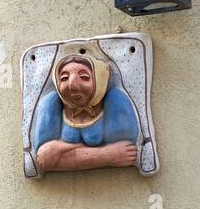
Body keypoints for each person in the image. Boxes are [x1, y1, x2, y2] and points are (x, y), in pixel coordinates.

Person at [31, 44, 140, 173]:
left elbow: (127, 153)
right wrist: (107, 155)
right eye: (64, 78)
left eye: (84, 77)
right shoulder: (51, 103)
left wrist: (58, 149)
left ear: (99, 79)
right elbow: (44, 161)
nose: (73, 85)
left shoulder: (115, 99)